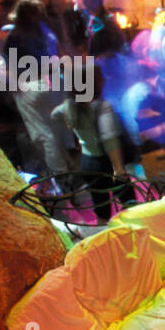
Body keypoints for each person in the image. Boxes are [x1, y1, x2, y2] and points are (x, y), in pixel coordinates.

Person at [51, 64, 136, 223]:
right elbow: (109, 138)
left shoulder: (70, 105)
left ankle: (105, 237)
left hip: (88, 162)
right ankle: (132, 234)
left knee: (101, 205)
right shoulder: (102, 107)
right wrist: (118, 168)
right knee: (129, 203)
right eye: (100, 78)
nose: (104, 80)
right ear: (93, 83)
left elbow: (54, 115)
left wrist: (70, 123)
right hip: (107, 162)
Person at [3, 0, 69, 187]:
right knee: (61, 129)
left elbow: (13, 68)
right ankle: (75, 175)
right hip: (56, 82)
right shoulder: (46, 30)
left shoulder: (15, 37)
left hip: (32, 86)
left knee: (44, 135)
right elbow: (59, 55)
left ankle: (62, 179)